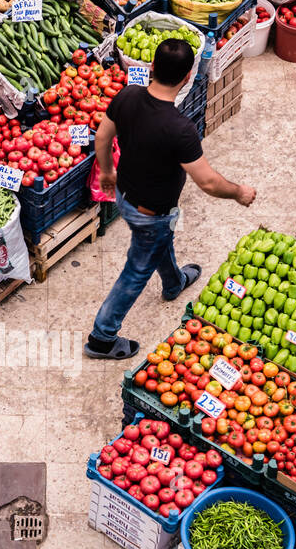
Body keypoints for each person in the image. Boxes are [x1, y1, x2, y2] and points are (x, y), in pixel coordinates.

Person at [84, 38, 256, 360]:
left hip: (125, 197)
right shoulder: (180, 129)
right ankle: (102, 337)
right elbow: (207, 181)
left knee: (158, 240)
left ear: (151, 67)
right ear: (188, 76)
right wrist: (239, 193)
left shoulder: (128, 96)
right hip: (151, 213)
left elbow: (102, 137)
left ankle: (174, 282)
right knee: (136, 270)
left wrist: (107, 172)